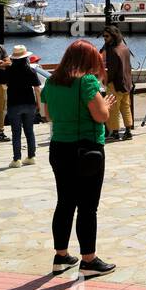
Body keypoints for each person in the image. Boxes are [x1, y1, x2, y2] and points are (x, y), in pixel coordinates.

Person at [39, 40, 115, 278]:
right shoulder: (87, 81)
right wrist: (107, 106)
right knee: (87, 207)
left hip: (59, 147)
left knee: (64, 203)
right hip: (87, 149)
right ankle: (88, 260)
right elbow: (101, 116)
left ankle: (61, 257)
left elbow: (47, 114)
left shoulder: (51, 81)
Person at [4, 44, 42, 167]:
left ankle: (17, 160)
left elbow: (4, 86)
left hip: (14, 104)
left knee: (16, 133)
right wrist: (38, 104)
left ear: (14, 58)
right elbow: (37, 89)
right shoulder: (31, 70)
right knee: (29, 131)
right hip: (29, 103)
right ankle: (31, 157)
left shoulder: (8, 70)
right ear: (26, 57)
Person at [100, 26, 134, 142]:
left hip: (115, 84)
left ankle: (115, 132)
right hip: (126, 83)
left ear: (113, 36)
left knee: (113, 109)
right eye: (103, 36)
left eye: (107, 36)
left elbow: (112, 69)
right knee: (125, 107)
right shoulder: (124, 48)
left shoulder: (113, 50)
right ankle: (128, 131)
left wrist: (106, 81)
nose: (104, 38)